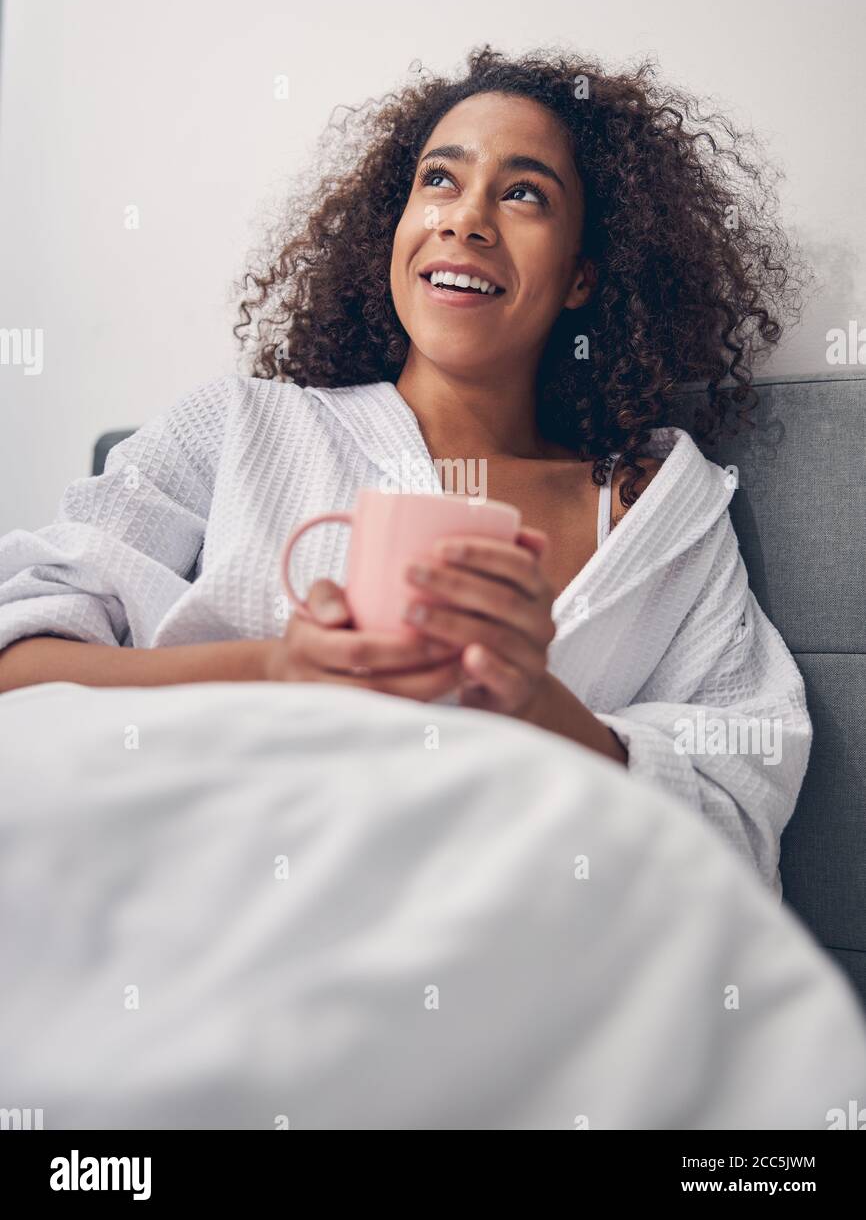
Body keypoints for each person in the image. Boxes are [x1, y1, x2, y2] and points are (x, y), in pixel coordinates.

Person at [0, 44, 812, 892]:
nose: (465, 220)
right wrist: (275, 670)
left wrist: (539, 706)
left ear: (581, 277)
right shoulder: (240, 427)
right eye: (439, 180)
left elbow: (739, 804)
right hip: (212, 897)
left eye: (524, 192)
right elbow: (16, 664)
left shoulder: (658, 512)